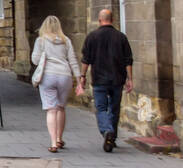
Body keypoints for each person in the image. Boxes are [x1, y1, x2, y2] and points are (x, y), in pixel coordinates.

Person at [80, 8, 134, 152]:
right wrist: (130, 79)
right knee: (114, 109)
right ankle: (112, 137)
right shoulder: (121, 37)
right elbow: (128, 60)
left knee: (101, 108)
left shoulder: (92, 37)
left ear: (99, 20)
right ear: (113, 19)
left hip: (99, 79)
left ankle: (107, 130)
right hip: (117, 78)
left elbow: (86, 59)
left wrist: (82, 77)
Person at [30, 15, 81, 152]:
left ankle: (53, 143)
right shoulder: (66, 41)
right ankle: (59, 139)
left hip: (48, 76)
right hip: (65, 76)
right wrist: (79, 79)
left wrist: (43, 56)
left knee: (51, 110)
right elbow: (73, 60)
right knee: (61, 108)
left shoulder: (40, 41)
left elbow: (35, 60)